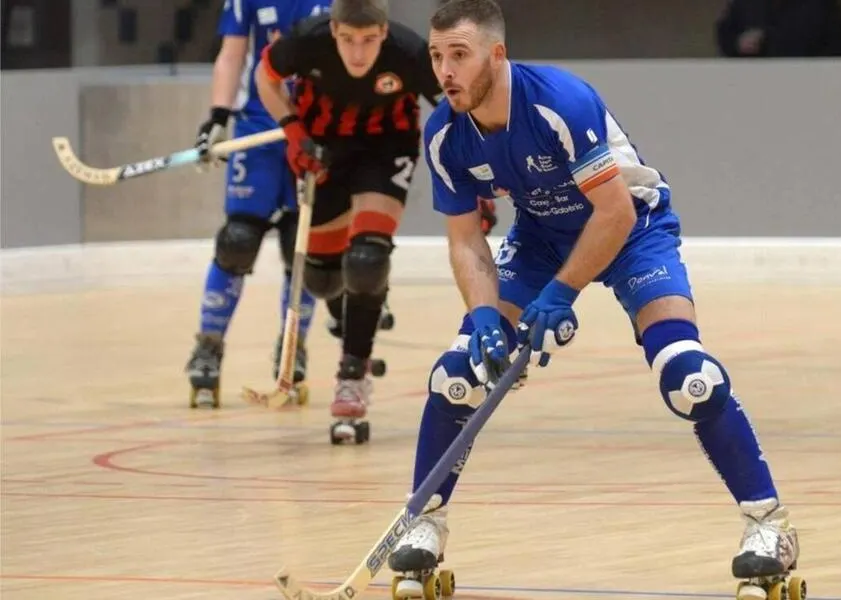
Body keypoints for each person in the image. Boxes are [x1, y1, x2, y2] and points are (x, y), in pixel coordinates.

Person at [386, 2, 801, 600]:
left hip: (634, 231)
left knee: (689, 376)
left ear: (496, 55)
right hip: (539, 238)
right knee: (458, 373)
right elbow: (466, 241)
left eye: (459, 55)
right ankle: (424, 519)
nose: (445, 71)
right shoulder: (445, 135)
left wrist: (562, 294)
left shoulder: (561, 102)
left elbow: (615, 212)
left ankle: (769, 527)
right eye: (435, 56)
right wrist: (482, 316)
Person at [254, 0, 498, 439]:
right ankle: (363, 311)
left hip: (385, 150)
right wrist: (293, 131)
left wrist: (478, 182)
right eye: (347, 40)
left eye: (369, 41)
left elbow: (457, 114)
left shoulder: (409, 52)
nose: (358, 53)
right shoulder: (307, 42)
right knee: (323, 280)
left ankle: (352, 373)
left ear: (384, 32)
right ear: (333, 30)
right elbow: (265, 76)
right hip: (323, 150)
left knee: (365, 259)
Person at [187, 0, 333, 409]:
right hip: (258, 126)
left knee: (299, 243)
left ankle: (293, 347)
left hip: (312, 129)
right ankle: (208, 347)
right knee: (237, 241)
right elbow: (232, 53)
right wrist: (217, 117)